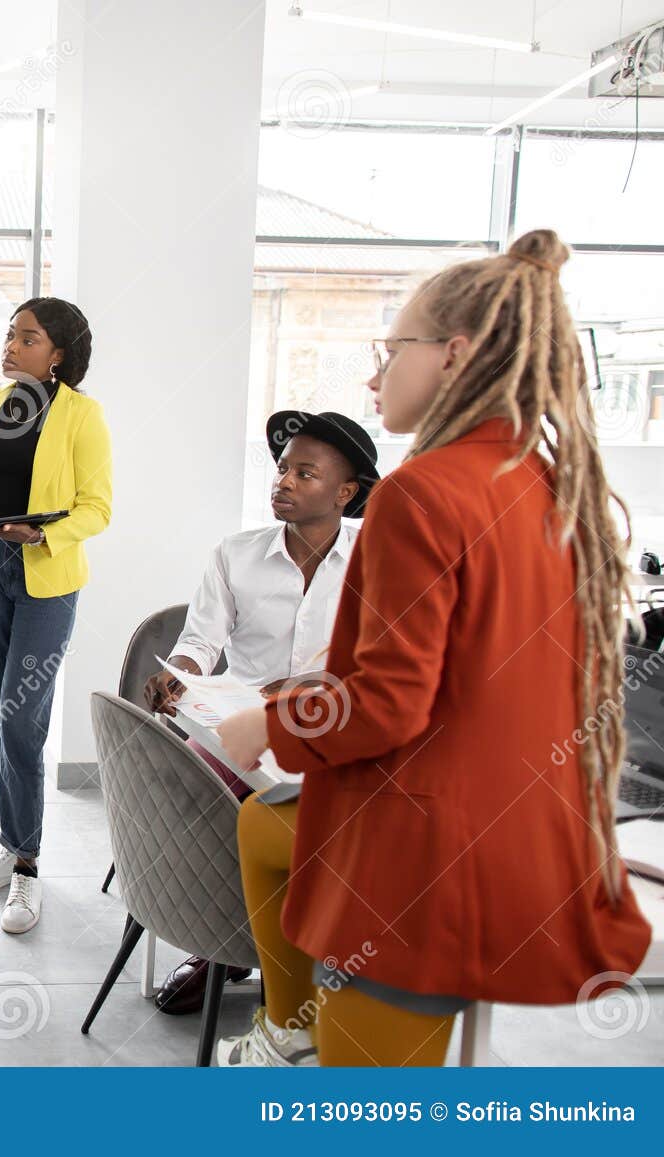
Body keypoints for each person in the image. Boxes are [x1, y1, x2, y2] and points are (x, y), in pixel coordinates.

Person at [214, 229, 653, 1066]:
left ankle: (290, 1026)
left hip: (426, 866)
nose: (376, 376)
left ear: (454, 355)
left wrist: (269, 725)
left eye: (392, 350)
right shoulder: (546, 479)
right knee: (266, 829)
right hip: (521, 838)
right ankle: (291, 1021)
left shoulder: (419, 491)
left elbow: (388, 699)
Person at [140, 410, 378, 1015]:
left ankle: (308, 959)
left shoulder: (380, 560)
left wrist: (311, 686)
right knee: (192, 795)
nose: (284, 482)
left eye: (305, 473)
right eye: (281, 469)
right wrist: (181, 674)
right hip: (237, 729)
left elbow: (389, 662)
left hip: (337, 731)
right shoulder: (236, 554)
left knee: (336, 820)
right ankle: (224, 947)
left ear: (345, 493)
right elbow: (199, 642)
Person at [0, 298, 111, 933]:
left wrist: (41, 537)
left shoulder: (82, 417)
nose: (11, 347)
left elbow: (97, 508)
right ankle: (10, 844)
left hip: (45, 576)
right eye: (10, 335)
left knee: (21, 720)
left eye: (28, 338)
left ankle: (28, 869)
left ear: (58, 353)